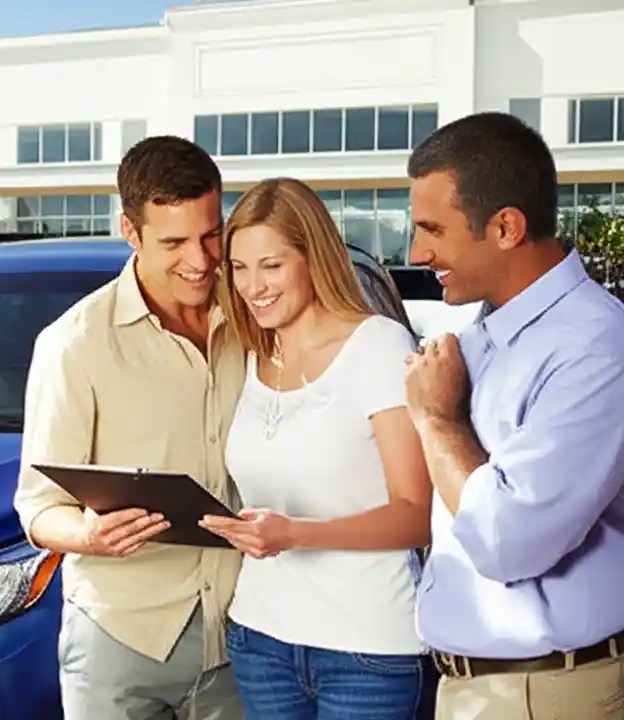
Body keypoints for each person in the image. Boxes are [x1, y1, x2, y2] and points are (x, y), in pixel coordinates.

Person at [13, 135, 247, 720]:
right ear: (131, 231)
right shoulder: (75, 345)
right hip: (122, 641)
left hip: (246, 633)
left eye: (210, 234)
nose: (200, 260)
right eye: (174, 242)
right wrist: (89, 535)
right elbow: (38, 508)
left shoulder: (255, 320)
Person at [402, 111, 624, 719]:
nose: (416, 252)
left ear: (505, 227)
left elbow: (508, 543)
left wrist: (436, 422)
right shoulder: (484, 338)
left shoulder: (595, 347)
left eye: (432, 230)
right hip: (482, 688)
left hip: (544, 694)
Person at [197, 178, 432, 719]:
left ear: (313, 258)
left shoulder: (378, 346)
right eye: (239, 267)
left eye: (271, 266)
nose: (253, 286)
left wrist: (296, 533)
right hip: (260, 640)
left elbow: (417, 516)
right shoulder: (253, 352)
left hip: (367, 650)